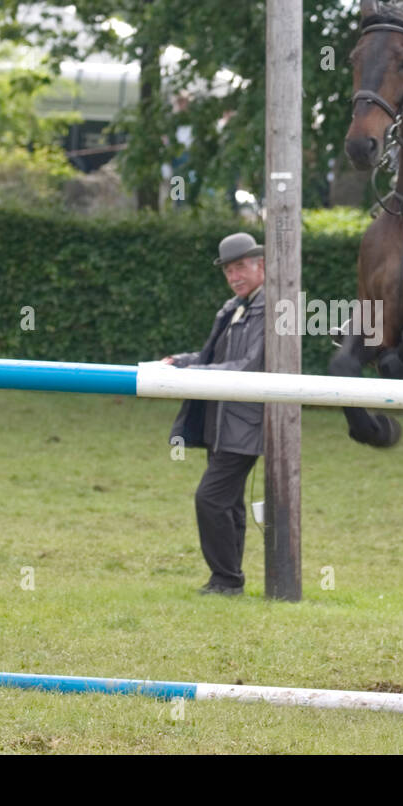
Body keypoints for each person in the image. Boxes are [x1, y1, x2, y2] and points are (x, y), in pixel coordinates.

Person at [163, 233, 266, 595]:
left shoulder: (268, 308)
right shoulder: (234, 306)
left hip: (245, 423)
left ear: (261, 265)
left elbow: (250, 367)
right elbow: (215, 359)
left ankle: (225, 580)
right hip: (222, 421)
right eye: (228, 270)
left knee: (210, 498)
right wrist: (181, 362)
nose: (234, 276)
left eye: (240, 267)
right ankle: (229, 579)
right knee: (228, 504)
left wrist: (195, 374)